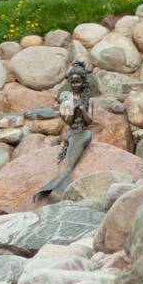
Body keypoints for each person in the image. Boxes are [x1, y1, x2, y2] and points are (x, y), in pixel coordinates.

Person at [33, 62, 94, 204]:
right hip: (71, 133)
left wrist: (81, 108)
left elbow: (89, 121)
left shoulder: (89, 100)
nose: (75, 85)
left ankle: (59, 184)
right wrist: (72, 108)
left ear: (83, 82)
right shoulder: (67, 101)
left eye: (78, 82)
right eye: (72, 82)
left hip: (83, 133)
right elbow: (68, 121)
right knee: (69, 166)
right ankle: (59, 186)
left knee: (87, 135)